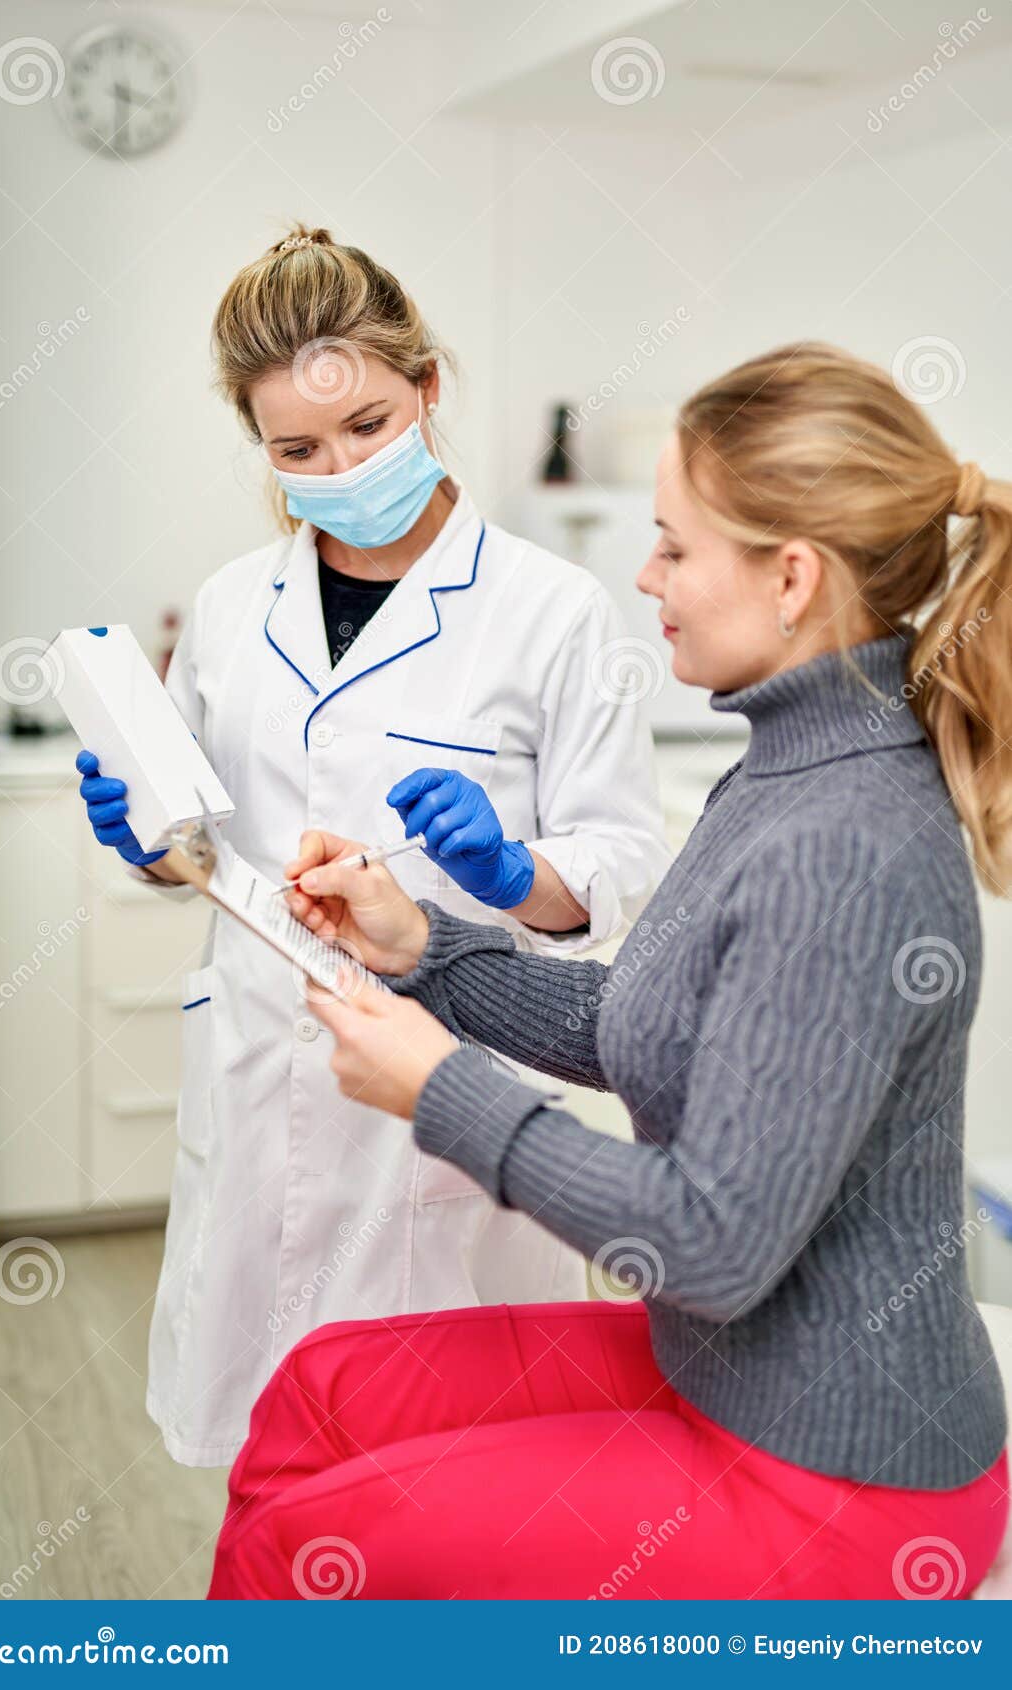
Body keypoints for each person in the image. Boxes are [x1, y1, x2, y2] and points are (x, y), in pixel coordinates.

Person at [208, 343, 1010, 1599]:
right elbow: (649, 1017)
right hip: (731, 1370)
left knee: (293, 1547)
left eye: (673, 547)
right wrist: (427, 949)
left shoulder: (843, 842)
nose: (644, 577)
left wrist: (440, 1091)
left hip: (838, 1469)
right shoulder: (784, 764)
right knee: (319, 1387)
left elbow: (708, 1243)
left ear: (790, 576)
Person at [73, 224, 667, 1468]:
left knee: (447, 1477)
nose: (337, 465)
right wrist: (143, 837)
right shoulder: (236, 605)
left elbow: (618, 859)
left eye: (368, 427)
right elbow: (201, 839)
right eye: (297, 447)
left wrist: (516, 872)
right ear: (262, 447)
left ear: (427, 389)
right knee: (267, 1474)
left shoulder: (550, 611)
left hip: (439, 1087)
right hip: (253, 1067)